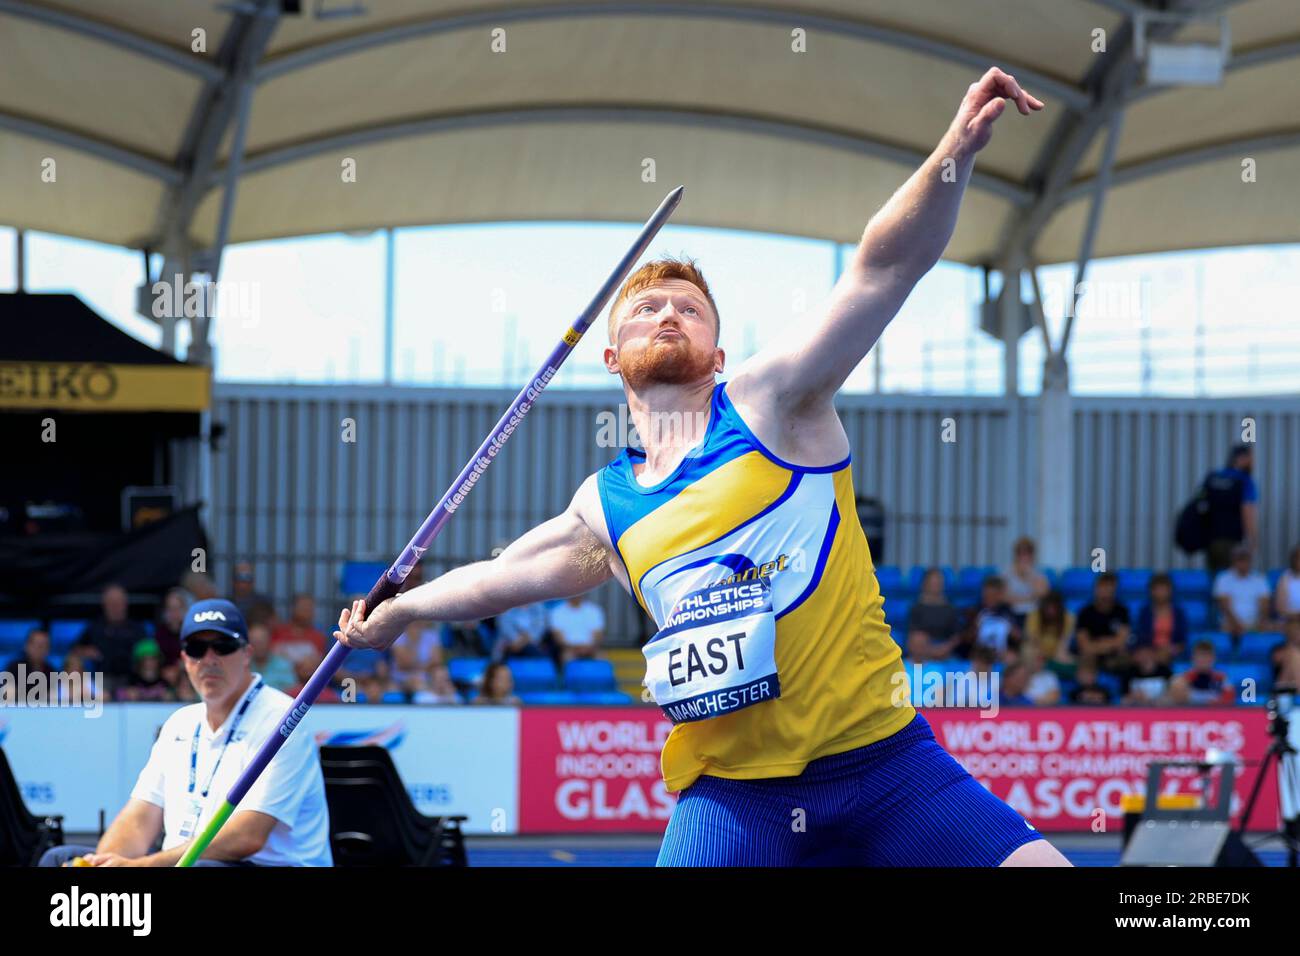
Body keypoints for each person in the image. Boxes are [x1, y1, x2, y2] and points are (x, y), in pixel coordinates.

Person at [336, 68, 1065, 867]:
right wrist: (403, 611)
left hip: (886, 764)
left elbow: (881, 270)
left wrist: (956, 150)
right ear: (613, 357)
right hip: (734, 795)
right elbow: (498, 576)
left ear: (717, 353)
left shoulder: (773, 402)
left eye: (689, 307)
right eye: (647, 308)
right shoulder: (605, 508)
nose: (668, 312)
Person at [39, 599, 331, 866]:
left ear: (246, 654)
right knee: (59, 859)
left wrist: (140, 866)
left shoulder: (281, 718)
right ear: (184, 658)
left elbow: (247, 837)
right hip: (188, 863)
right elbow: (139, 819)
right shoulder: (180, 722)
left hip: (261, 865)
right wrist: (103, 862)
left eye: (223, 646)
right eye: (196, 648)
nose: (209, 658)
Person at [73, 583, 148, 689]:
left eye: (118, 603)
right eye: (111, 603)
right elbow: (74, 649)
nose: (115, 607)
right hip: (102, 680)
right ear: (104, 605)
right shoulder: (95, 627)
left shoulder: (137, 628)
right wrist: (86, 651)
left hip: (131, 681)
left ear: (125, 604)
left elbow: (150, 653)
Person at [1202, 444, 1258, 577]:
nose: (1253, 462)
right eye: (1250, 458)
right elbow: (1247, 511)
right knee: (1231, 581)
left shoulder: (1213, 477)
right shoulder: (1244, 480)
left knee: (1215, 580)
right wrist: (1253, 540)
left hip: (1210, 541)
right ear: (1241, 459)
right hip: (1232, 541)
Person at [1073, 572, 1131, 674]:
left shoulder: (1122, 611)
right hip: (1092, 655)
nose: (1105, 593)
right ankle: (1088, 688)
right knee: (1086, 656)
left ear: (1114, 590)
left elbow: (1121, 641)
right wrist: (1108, 643)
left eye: (1109, 589)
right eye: (1102, 588)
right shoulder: (1085, 612)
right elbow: (1084, 644)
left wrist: (1098, 644)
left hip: (1113, 656)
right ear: (1095, 589)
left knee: (1125, 657)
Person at [1213, 545, 1272, 639]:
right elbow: (1225, 606)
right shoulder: (1223, 579)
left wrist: (1258, 622)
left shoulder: (1260, 579)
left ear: (1250, 561)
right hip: (1231, 622)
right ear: (1233, 561)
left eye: (1245, 560)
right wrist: (1237, 624)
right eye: (1240, 560)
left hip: (1255, 622)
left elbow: (1264, 605)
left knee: (1273, 627)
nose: (1243, 563)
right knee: (1226, 627)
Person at [906, 568, 963, 661]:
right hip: (922, 653)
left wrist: (944, 649)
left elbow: (956, 636)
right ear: (925, 584)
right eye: (933, 583)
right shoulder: (916, 608)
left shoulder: (950, 608)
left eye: (938, 582)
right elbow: (914, 634)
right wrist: (929, 650)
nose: (936, 585)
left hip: (946, 654)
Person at [1131, 573, 1188, 665]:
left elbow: (1182, 641)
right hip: (1150, 651)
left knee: (1162, 655)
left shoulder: (1178, 613)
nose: (1161, 593)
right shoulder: (1145, 612)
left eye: (1163, 589)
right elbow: (1140, 636)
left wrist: (1170, 649)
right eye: (1158, 589)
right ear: (1152, 591)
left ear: (1170, 591)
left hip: (1172, 650)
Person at [960, 575, 1020, 662]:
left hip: (1002, 653)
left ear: (1000, 595)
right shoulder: (975, 611)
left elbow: (1018, 636)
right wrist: (976, 626)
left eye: (993, 595)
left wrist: (1010, 628)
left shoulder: (1008, 612)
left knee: (1012, 657)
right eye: (986, 595)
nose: (989, 598)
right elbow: (966, 639)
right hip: (980, 652)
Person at [1023, 590, 1076, 673]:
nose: (1051, 611)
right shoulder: (1034, 615)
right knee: (1028, 651)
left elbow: (1063, 644)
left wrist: (1059, 657)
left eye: (1054, 608)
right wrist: (1041, 656)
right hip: (1036, 650)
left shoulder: (1069, 617)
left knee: (1070, 661)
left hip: (1057, 652)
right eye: (1048, 608)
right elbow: (1032, 640)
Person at [1169, 640, 1233, 706]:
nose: (1203, 660)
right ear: (1193, 658)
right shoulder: (1183, 680)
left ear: (1213, 658)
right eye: (1201, 656)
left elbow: (1229, 701)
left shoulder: (1222, 679)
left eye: (1207, 656)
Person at [547, 593, 606, 665]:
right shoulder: (557, 612)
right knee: (567, 657)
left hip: (591, 648)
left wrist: (588, 648)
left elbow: (598, 635)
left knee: (601, 658)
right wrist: (575, 648)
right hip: (568, 649)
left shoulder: (594, 610)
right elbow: (558, 637)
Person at [271, 593, 328, 664]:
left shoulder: (319, 637)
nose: (307, 612)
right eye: (303, 607)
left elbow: (320, 662)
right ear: (293, 609)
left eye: (310, 608)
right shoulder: (278, 632)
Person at [1004, 537, 1049, 625]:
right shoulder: (1006, 573)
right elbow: (1004, 598)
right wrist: (1029, 598)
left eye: (1027, 553)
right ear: (1016, 555)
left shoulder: (1039, 574)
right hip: (1012, 613)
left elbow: (1043, 595)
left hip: (1033, 614)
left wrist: (1029, 576)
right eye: (1020, 553)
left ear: (1032, 555)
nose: (1024, 557)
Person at [247, 622, 295, 692]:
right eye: (255, 643)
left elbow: (292, 692)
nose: (258, 646)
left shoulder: (283, 665)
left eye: (261, 642)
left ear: (269, 641)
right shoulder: (244, 667)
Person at [231, 561, 276, 627]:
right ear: (233, 581)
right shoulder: (226, 603)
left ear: (253, 581)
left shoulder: (264, 602)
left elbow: (274, 624)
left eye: (248, 577)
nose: (244, 583)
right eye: (240, 577)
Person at [1275, 546, 1300, 618]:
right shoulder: (1285, 578)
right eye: (1298, 558)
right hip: (1290, 619)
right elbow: (1280, 608)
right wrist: (1296, 616)